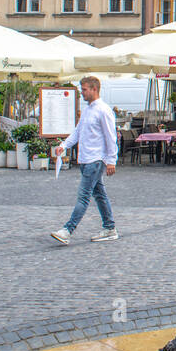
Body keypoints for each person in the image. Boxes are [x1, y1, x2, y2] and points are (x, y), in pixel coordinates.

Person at [50, 76, 118, 245]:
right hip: (86, 159)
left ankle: (67, 230)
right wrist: (63, 145)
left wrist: (111, 160)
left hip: (95, 160)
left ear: (94, 89)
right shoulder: (88, 110)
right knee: (99, 195)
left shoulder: (103, 110)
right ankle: (110, 228)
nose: (82, 93)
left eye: (85, 89)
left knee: (84, 196)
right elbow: (78, 132)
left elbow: (111, 137)